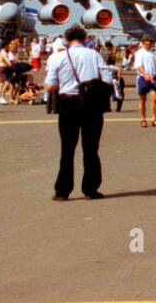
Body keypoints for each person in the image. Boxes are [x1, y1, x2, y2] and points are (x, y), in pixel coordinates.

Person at [44, 25, 111, 201]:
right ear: (84, 38)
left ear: (66, 40)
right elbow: (108, 79)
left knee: (67, 149)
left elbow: (50, 85)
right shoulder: (94, 55)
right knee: (91, 149)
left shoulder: (58, 57)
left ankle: (62, 191)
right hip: (91, 105)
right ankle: (90, 189)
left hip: (68, 103)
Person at [133, 35, 156, 127]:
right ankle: (143, 119)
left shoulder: (153, 53)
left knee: (155, 98)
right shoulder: (139, 53)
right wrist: (145, 74)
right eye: (149, 41)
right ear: (144, 41)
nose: (150, 42)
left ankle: (154, 119)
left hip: (153, 79)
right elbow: (138, 66)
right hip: (142, 79)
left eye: (151, 41)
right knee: (142, 100)